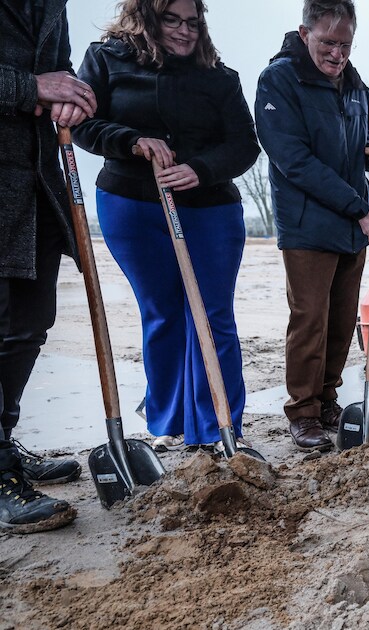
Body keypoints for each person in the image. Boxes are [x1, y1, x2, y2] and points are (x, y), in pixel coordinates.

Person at [73, 0, 260, 451]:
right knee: (162, 312)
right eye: (172, 20)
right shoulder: (105, 59)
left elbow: (244, 145)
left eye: (193, 23)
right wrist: (131, 141)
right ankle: (169, 424)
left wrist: (201, 168)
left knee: (211, 315)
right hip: (130, 205)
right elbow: (84, 126)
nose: (184, 31)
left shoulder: (219, 77)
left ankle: (218, 428)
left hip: (209, 208)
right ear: (146, 17)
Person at [256, 0, 369, 451]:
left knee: (340, 321)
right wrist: (358, 206)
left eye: (345, 45)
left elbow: (354, 143)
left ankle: (328, 400)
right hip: (308, 225)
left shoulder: (355, 85)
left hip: (352, 222)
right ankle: (302, 411)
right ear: (303, 34)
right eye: (327, 43)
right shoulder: (279, 80)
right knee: (310, 320)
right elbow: (295, 161)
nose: (337, 54)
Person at [1, 0, 94, 532]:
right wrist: (31, 87)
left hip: (35, 186)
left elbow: (55, 71)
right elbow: (36, 80)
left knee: (29, 326)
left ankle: (3, 444)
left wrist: (72, 96)